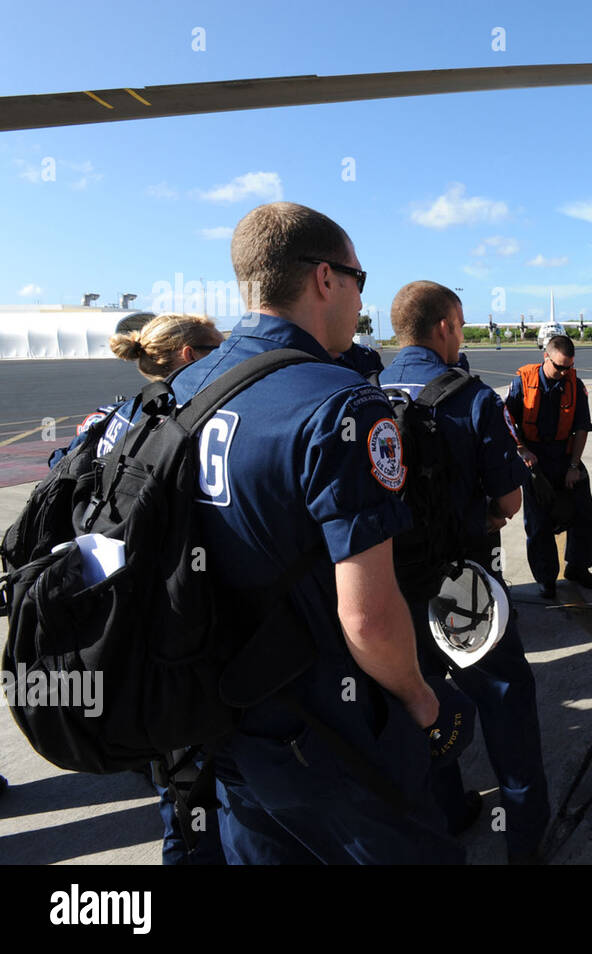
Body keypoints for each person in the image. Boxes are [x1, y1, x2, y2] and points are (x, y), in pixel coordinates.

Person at [168, 201, 462, 864]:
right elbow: (367, 618)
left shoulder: (186, 386)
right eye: (360, 278)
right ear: (325, 278)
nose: (361, 299)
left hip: (223, 717)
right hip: (330, 729)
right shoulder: (340, 402)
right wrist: (423, 702)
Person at [47, 312, 227, 865]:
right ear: (190, 355)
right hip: (175, 618)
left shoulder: (110, 417)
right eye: (217, 347)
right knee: (192, 784)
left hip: (113, 608)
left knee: (170, 764)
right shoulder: (192, 418)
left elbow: (62, 482)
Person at [380, 280, 551, 864]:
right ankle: (525, 837)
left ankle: (448, 812)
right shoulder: (472, 397)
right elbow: (509, 501)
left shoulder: (364, 392)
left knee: (421, 700)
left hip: (391, 584)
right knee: (506, 700)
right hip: (461, 583)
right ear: (445, 326)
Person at [48, 313, 224, 467]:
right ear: (189, 355)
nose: (227, 355)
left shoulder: (114, 414)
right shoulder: (194, 426)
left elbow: (59, 461)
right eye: (219, 349)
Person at [505, 335, 592, 598]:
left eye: (569, 367)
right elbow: (507, 421)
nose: (564, 372)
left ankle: (578, 567)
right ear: (545, 357)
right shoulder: (522, 383)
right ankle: (546, 578)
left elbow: (582, 428)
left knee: (584, 513)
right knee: (538, 522)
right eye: (559, 367)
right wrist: (522, 449)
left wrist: (574, 466)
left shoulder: (575, 385)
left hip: (565, 455)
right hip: (534, 458)